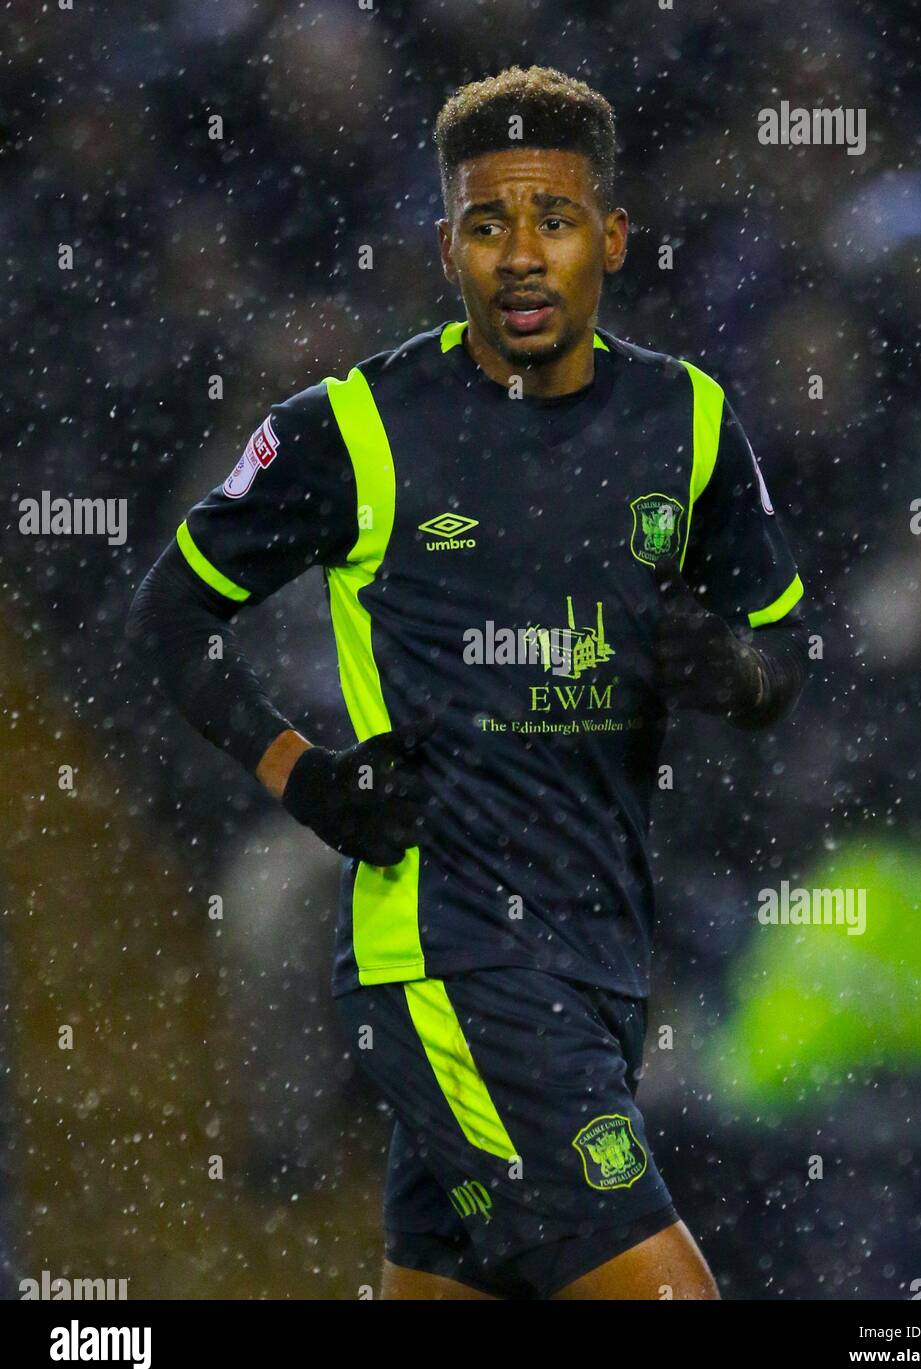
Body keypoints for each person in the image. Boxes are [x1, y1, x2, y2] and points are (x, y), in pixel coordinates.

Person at [126, 65, 810, 1300]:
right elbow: (169, 620)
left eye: (552, 219)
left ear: (609, 236)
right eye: (487, 225)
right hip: (451, 960)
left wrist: (731, 670)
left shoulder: (690, 419)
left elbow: (784, 660)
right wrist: (308, 780)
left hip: (602, 957)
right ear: (446, 248)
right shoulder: (354, 426)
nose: (521, 255)